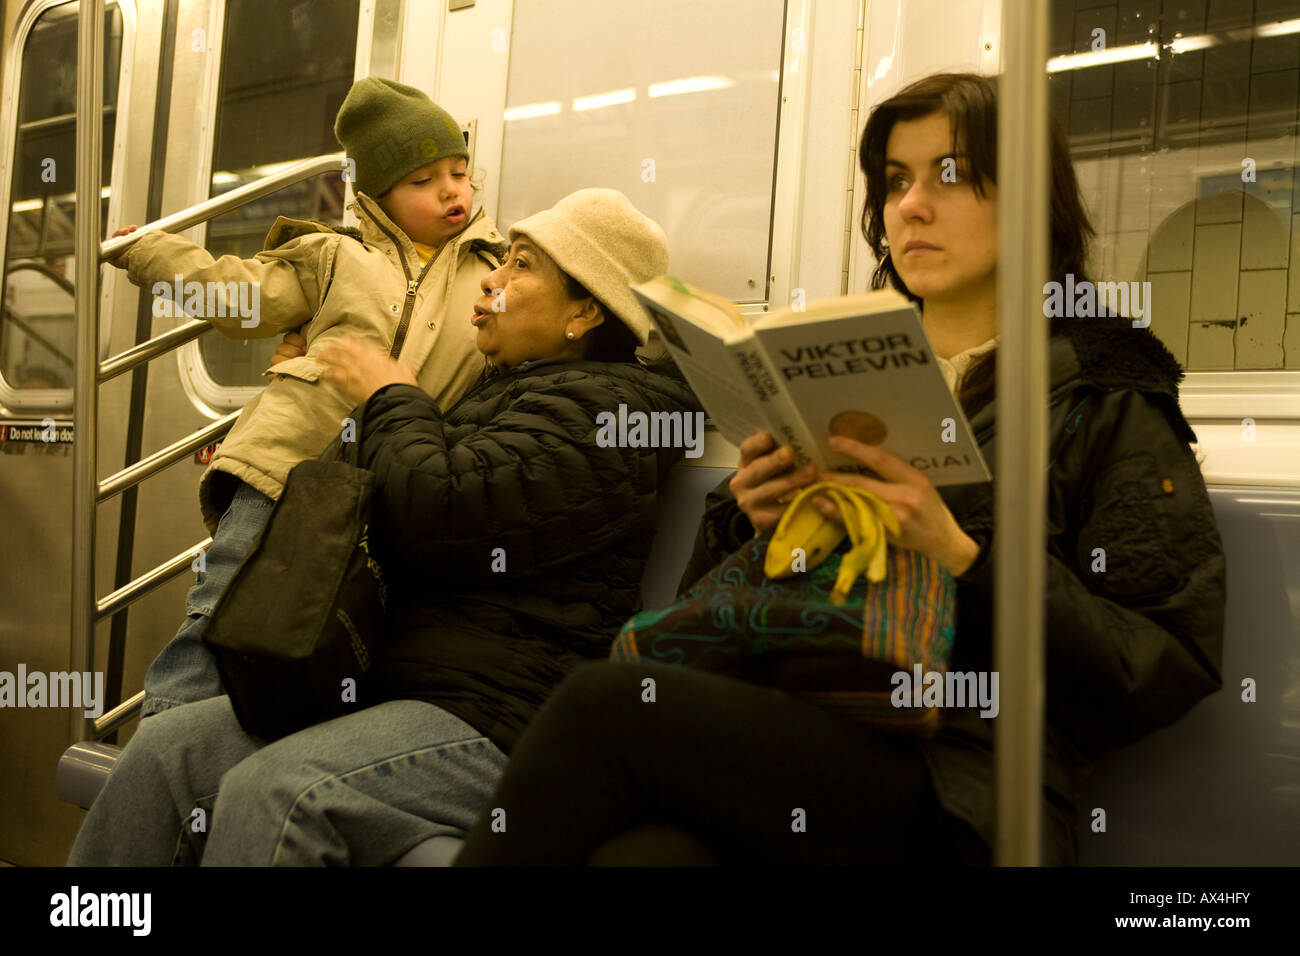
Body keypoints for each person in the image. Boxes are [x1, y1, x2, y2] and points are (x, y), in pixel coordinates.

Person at [452, 72, 1227, 867]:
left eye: (949, 175)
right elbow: (710, 606)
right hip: (799, 723)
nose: (910, 206)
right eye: (895, 181)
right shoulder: (833, 372)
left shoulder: (1102, 393)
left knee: (602, 703)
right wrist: (745, 519)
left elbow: (1164, 661)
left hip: (964, 781)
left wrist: (962, 557)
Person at [68, 188, 701, 866]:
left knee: (280, 792)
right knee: (168, 753)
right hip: (393, 682)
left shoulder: (611, 415)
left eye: (520, 266)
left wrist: (388, 393)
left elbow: (441, 514)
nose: (492, 277)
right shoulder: (508, 393)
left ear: (584, 312)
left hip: (494, 714)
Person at [107, 77, 507, 717]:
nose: (451, 190)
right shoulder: (334, 257)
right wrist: (149, 253)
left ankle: (241, 759)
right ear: (378, 197)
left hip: (388, 489)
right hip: (283, 468)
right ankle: (165, 742)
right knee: (222, 609)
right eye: (423, 180)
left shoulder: (495, 270)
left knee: (322, 629)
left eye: (459, 172)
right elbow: (237, 297)